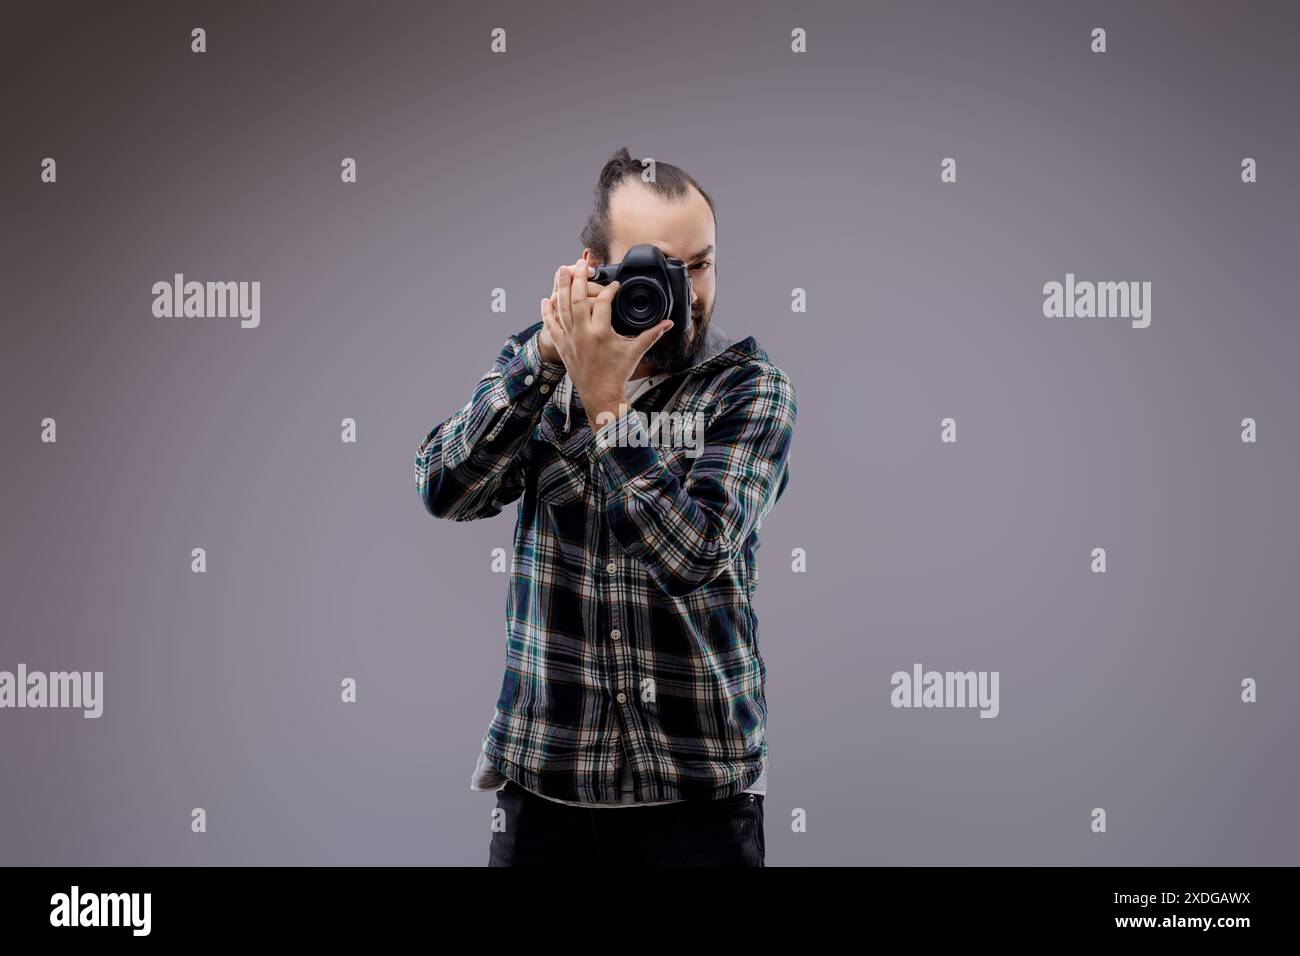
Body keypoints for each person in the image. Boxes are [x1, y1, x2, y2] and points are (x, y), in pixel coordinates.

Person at [415, 147, 797, 866]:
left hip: (700, 799)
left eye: (702, 265)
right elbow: (445, 489)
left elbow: (694, 554)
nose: (685, 293)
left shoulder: (749, 387)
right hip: (546, 796)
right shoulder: (541, 368)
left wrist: (606, 409)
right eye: (660, 270)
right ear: (595, 268)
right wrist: (545, 366)